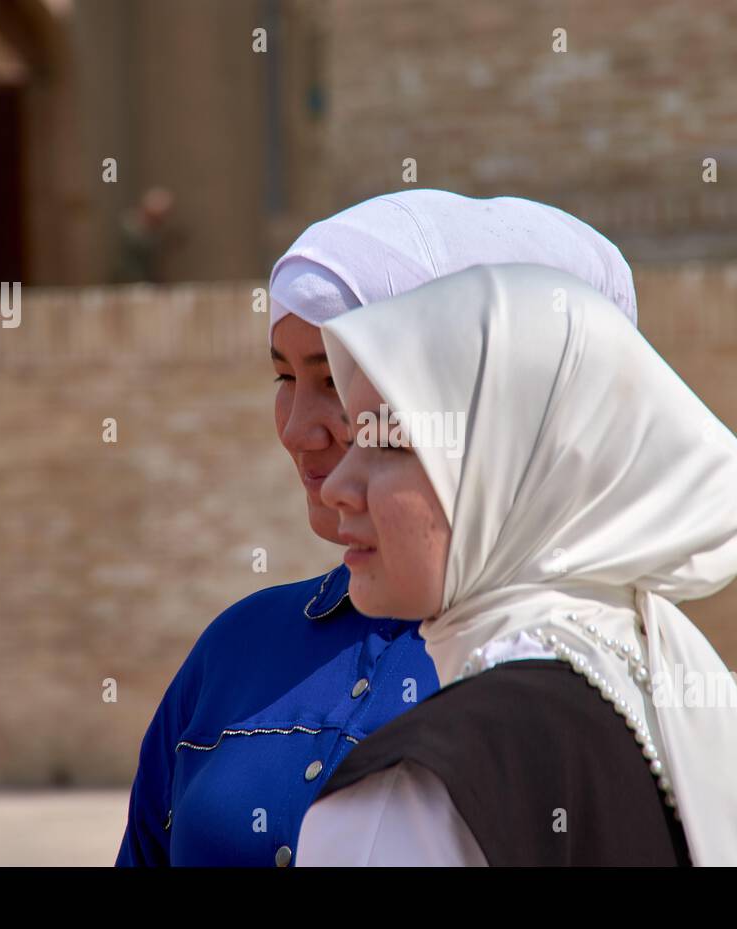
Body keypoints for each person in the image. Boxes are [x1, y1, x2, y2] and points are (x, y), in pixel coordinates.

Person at [115, 190, 642, 865]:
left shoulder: (591, 681)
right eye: (283, 376)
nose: (299, 430)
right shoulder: (237, 652)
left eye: (337, 381)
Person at [296, 263, 737, 866]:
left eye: (389, 443)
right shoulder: (736, 760)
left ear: (518, 466)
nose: (337, 485)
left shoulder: (418, 793)